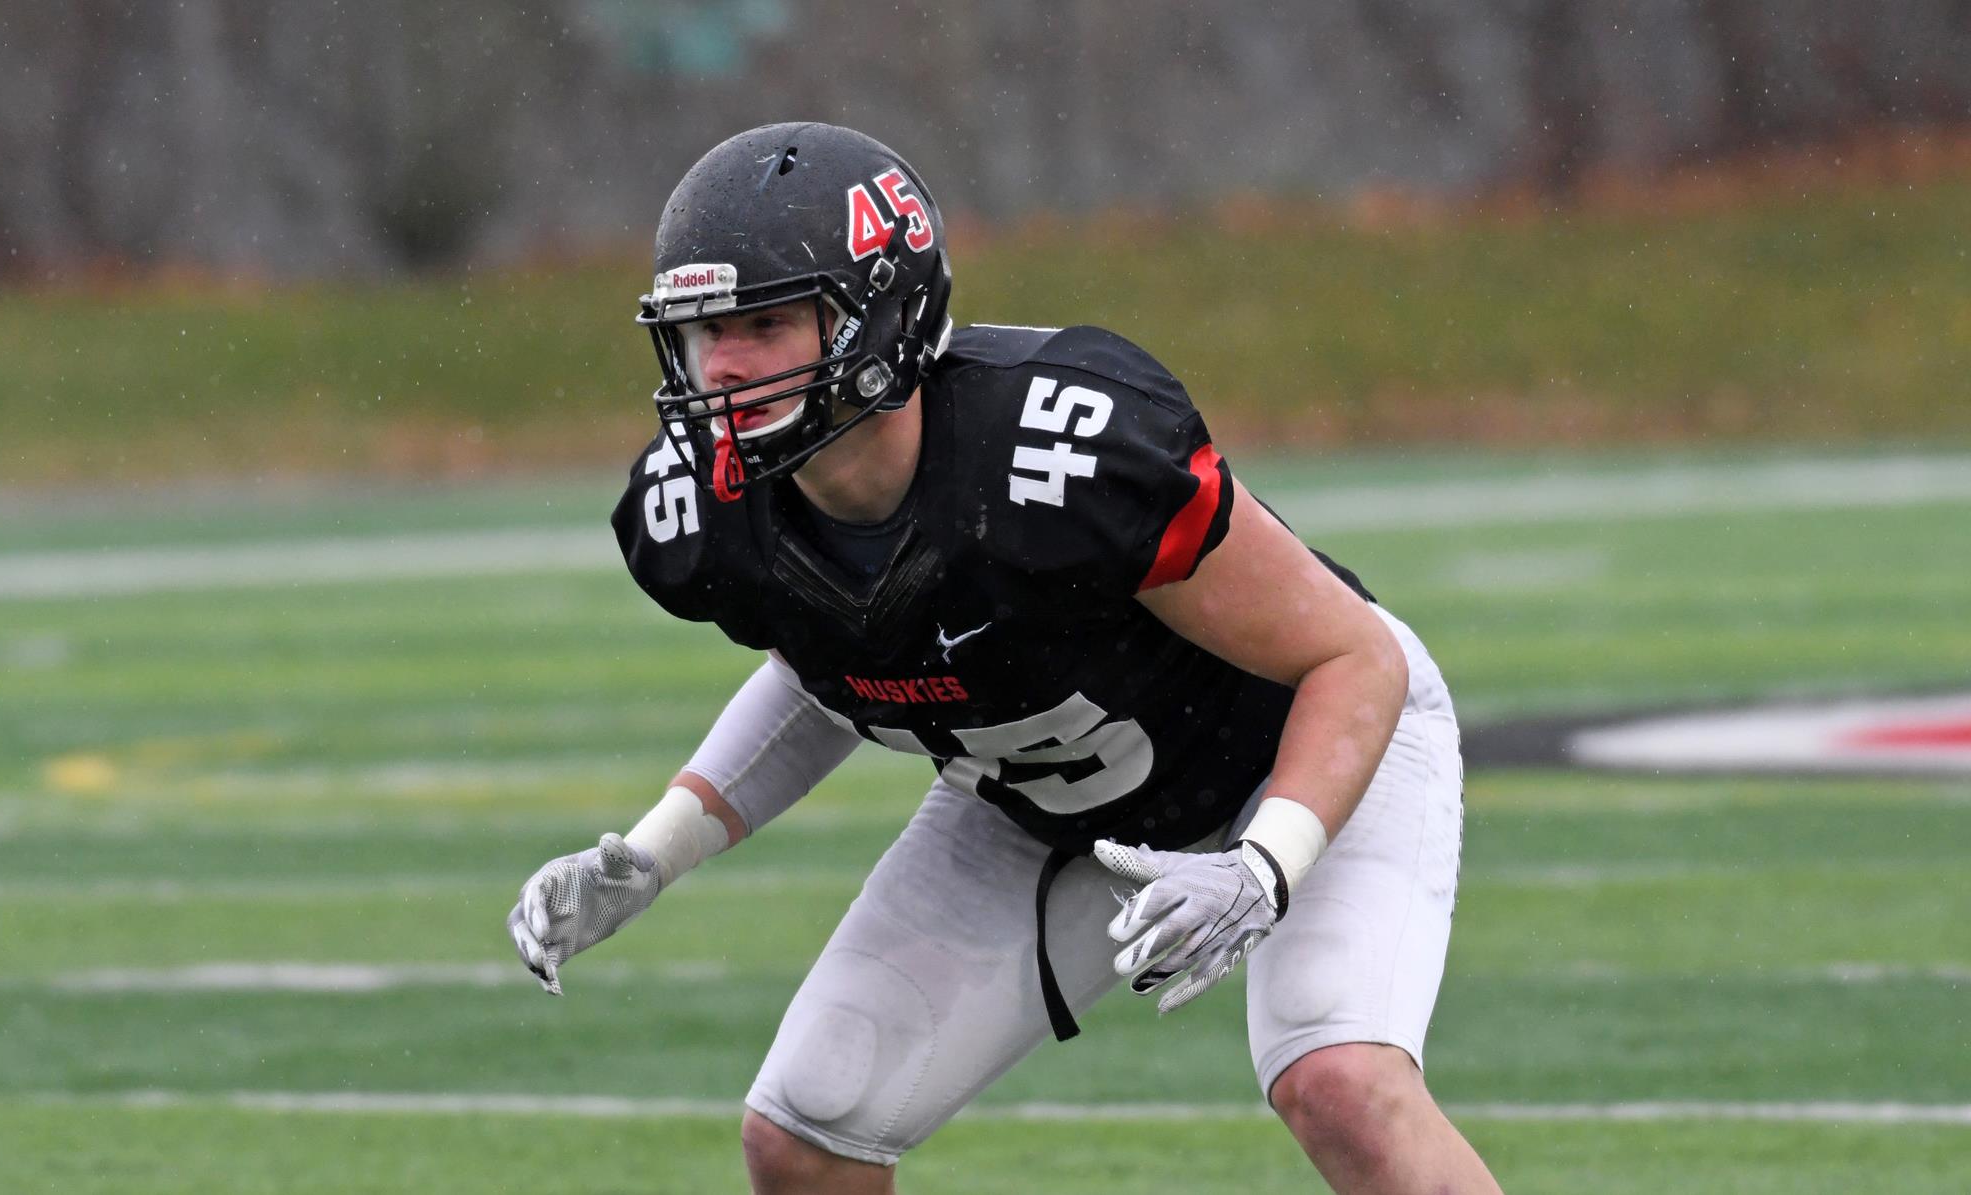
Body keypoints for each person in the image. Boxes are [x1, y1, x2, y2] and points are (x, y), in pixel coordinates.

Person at [507, 122, 1502, 1194]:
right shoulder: (708, 511)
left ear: (882, 316)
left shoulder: (1056, 448)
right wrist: (654, 852)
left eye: (766, 320)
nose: (727, 364)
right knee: (807, 1128)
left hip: (1300, 749)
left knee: (1338, 1081)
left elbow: (1350, 658)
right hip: (1043, 799)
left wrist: (1263, 865)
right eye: (706, 331)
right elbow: (824, 670)